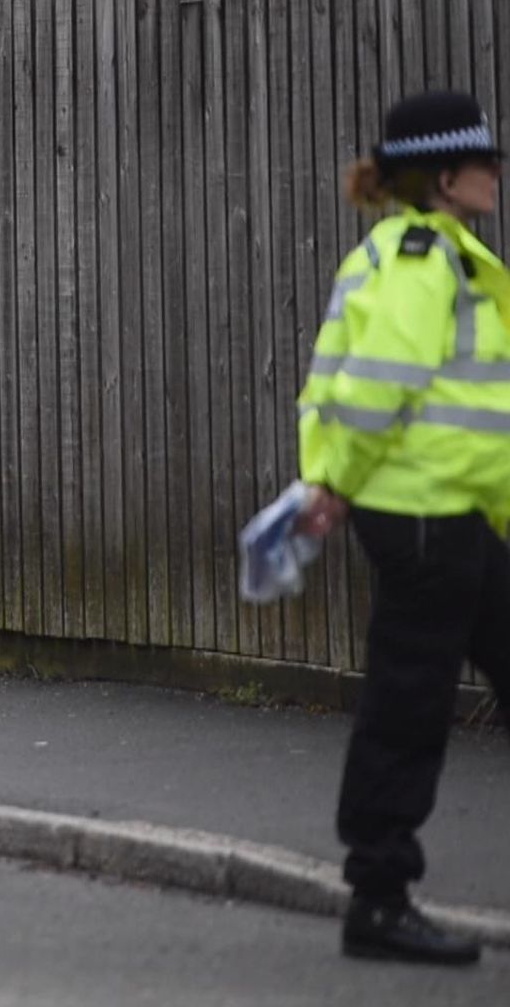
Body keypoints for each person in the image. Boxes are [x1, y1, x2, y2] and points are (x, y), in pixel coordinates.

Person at [296, 90, 506, 966]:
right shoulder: (424, 261)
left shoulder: (404, 249)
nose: (497, 175)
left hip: (450, 516)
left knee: (406, 698)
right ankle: (378, 899)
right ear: (446, 175)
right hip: (424, 518)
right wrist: (334, 484)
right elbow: (377, 386)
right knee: (407, 704)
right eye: (486, 162)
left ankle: (378, 894)